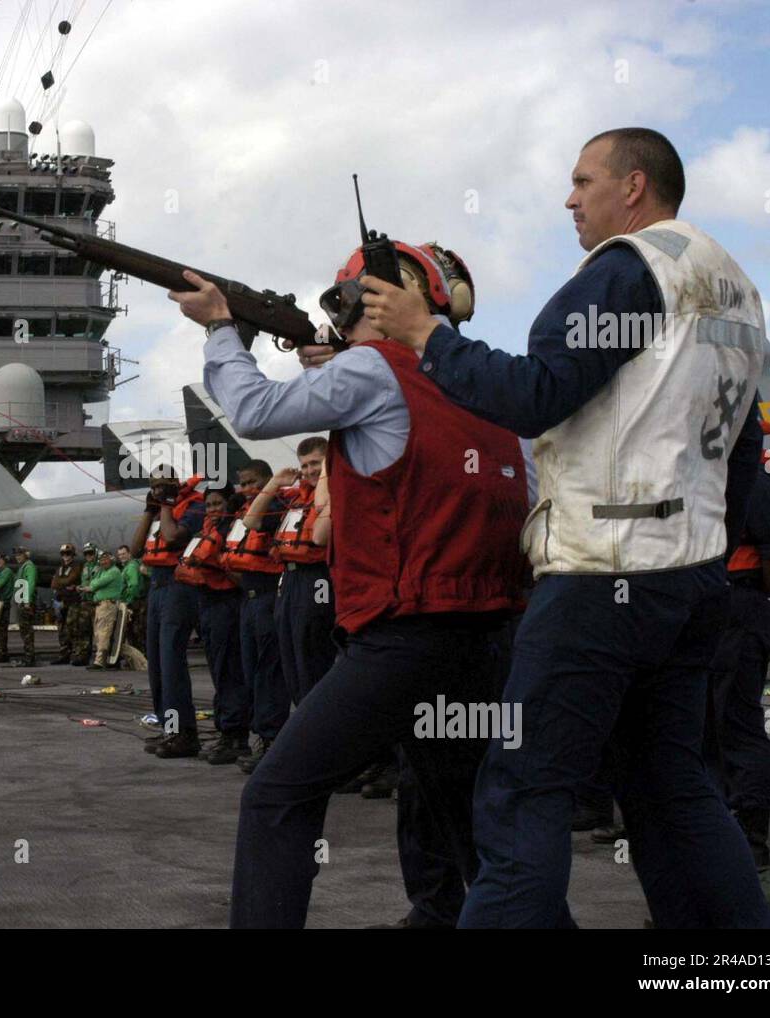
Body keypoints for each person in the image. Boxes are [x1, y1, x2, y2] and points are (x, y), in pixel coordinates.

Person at [350, 127, 770, 927]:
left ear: (634, 188)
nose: (569, 199)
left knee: (523, 791)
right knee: (673, 789)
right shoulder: (735, 289)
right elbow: (743, 453)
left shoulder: (628, 269)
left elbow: (537, 392)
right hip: (689, 578)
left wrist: (426, 335)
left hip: (601, 574)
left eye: (583, 181)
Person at [173, 241, 528, 929]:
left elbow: (250, 410)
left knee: (278, 795)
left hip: (404, 636)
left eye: (346, 306)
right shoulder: (495, 387)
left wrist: (221, 327)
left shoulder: (373, 368)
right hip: (486, 638)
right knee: (466, 814)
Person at [709, 459, 770, 865]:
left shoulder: (752, 478)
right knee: (700, 724)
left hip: (735, 606)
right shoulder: (699, 469)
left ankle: (750, 840)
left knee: (737, 723)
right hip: (704, 608)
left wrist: (745, 595)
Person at [220, 460, 289, 773]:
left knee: (268, 672)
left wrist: (271, 487)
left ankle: (273, 740)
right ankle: (261, 736)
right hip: (247, 600)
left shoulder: (273, 506)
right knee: (251, 672)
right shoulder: (242, 512)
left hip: (265, 598)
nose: (246, 489)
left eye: (252, 483)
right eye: (243, 484)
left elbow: (257, 523)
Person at [131, 466, 206, 758]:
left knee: (172, 661)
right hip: (157, 586)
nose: (159, 489)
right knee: (157, 664)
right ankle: (168, 727)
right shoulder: (157, 512)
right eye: (154, 485)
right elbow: (137, 549)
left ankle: (184, 734)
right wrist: (149, 511)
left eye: (165, 484)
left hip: (178, 584)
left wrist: (166, 505)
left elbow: (173, 537)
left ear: (177, 483)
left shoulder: (194, 505)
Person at [175, 484, 251, 764]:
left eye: (218, 504)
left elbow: (238, 574)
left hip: (226, 604)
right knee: (219, 672)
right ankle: (226, 731)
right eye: (208, 505)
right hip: (207, 604)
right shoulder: (205, 532)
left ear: (229, 505)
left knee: (230, 670)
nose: (213, 510)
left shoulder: (233, 531)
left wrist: (218, 562)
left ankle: (236, 736)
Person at [262, 437, 337, 705]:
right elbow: (252, 520)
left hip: (318, 579)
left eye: (316, 463)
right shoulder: (296, 499)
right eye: (304, 466)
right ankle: (304, 718)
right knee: (290, 656)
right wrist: (274, 482)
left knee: (313, 654)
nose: (308, 471)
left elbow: (319, 537)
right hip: (290, 581)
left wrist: (329, 472)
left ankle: (321, 728)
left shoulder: (338, 492)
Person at [83, 550, 124, 669]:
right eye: (101, 560)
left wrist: (92, 585)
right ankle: (110, 660)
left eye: (106, 559)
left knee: (103, 633)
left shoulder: (113, 572)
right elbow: (93, 582)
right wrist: (93, 584)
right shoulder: (103, 571)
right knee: (100, 633)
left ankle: (100, 662)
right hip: (101, 605)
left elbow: (95, 585)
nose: (103, 562)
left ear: (112, 560)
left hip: (107, 605)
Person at [65, 544, 100, 666]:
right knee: (83, 630)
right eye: (86, 554)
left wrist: (89, 588)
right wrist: (78, 588)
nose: (88, 556)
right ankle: (84, 656)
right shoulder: (85, 567)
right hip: (85, 601)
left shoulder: (99, 567)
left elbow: (98, 583)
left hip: (96, 602)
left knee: (99, 632)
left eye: (91, 553)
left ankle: (101, 658)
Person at [50, 544, 83, 664]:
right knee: (62, 629)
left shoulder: (76, 567)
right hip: (60, 602)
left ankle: (75, 654)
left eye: (68, 554)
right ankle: (64, 654)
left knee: (72, 629)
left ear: (72, 555)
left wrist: (61, 582)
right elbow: (53, 584)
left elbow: (71, 579)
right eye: (63, 554)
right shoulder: (59, 568)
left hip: (72, 602)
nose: (65, 556)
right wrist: (64, 584)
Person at [117, 545, 148, 654]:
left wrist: (127, 601)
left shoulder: (131, 567)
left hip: (136, 602)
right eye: (120, 555)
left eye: (124, 554)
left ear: (129, 554)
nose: (121, 557)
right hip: (138, 601)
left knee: (136, 631)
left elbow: (134, 585)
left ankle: (141, 658)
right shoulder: (129, 566)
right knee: (137, 631)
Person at [12, 546, 39, 666]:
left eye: (20, 554)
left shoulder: (29, 567)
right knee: (24, 631)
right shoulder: (23, 567)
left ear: (26, 555)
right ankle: (28, 656)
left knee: (27, 631)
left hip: (25, 604)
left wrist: (27, 601)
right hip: (22, 602)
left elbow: (31, 583)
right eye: (16, 555)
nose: (17, 556)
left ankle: (30, 658)